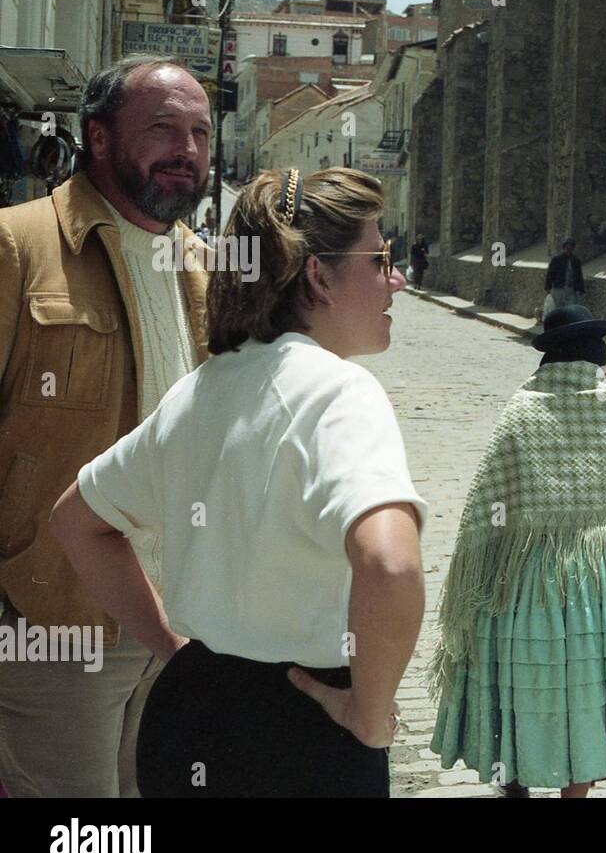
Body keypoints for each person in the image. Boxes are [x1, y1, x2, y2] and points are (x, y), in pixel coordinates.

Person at [48, 167, 428, 797]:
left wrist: (176, 650)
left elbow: (76, 520)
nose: (397, 278)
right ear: (317, 276)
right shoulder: (340, 393)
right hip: (302, 736)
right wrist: (368, 710)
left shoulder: (201, 391)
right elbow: (391, 567)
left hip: (189, 717)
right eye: (380, 257)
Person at [0, 54, 212, 798]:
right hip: (53, 625)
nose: (186, 150)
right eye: (163, 129)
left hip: (178, 624)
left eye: (199, 132)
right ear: (97, 137)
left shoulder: (204, 266)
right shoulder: (18, 246)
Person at [427, 304, 606, 798]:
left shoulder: (521, 413)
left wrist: (479, 562)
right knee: (590, 692)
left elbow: (488, 502)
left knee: (530, 684)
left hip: (530, 586)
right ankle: (576, 793)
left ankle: (515, 777)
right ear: (592, 359)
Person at [543, 236, 585, 314]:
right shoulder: (556, 260)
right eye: (567, 247)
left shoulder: (576, 261)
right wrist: (548, 287)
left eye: (571, 248)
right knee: (558, 308)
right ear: (564, 248)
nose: (569, 250)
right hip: (559, 288)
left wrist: (581, 289)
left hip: (571, 289)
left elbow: (579, 275)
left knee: (571, 309)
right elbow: (550, 274)